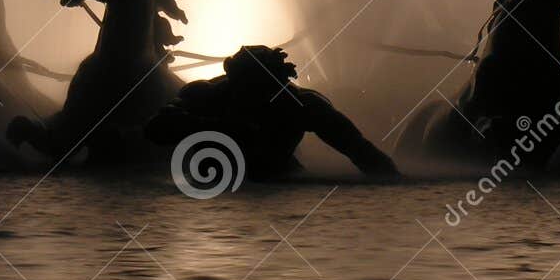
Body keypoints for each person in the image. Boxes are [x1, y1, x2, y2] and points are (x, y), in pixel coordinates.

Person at [146, 45, 399, 178]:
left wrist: (396, 182)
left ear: (278, 84)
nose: (254, 96)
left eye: (266, 88)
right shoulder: (204, 93)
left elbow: (361, 151)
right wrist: (210, 127)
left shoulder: (303, 105)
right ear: (233, 80)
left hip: (277, 177)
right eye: (247, 87)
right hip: (214, 180)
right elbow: (155, 130)